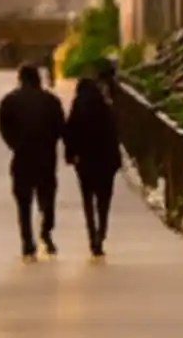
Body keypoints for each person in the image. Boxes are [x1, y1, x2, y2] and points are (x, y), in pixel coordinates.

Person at [0, 64, 65, 260]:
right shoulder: (51, 101)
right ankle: (46, 231)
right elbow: (60, 127)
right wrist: (49, 141)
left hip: (22, 157)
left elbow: (3, 127)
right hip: (46, 158)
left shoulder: (10, 102)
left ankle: (28, 243)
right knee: (47, 198)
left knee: (24, 202)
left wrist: (15, 143)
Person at [64, 78, 121, 258]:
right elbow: (114, 135)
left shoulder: (77, 108)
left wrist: (70, 155)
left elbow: (69, 132)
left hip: (85, 161)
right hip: (105, 161)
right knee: (103, 202)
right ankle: (101, 231)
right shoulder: (106, 109)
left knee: (87, 200)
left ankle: (92, 234)